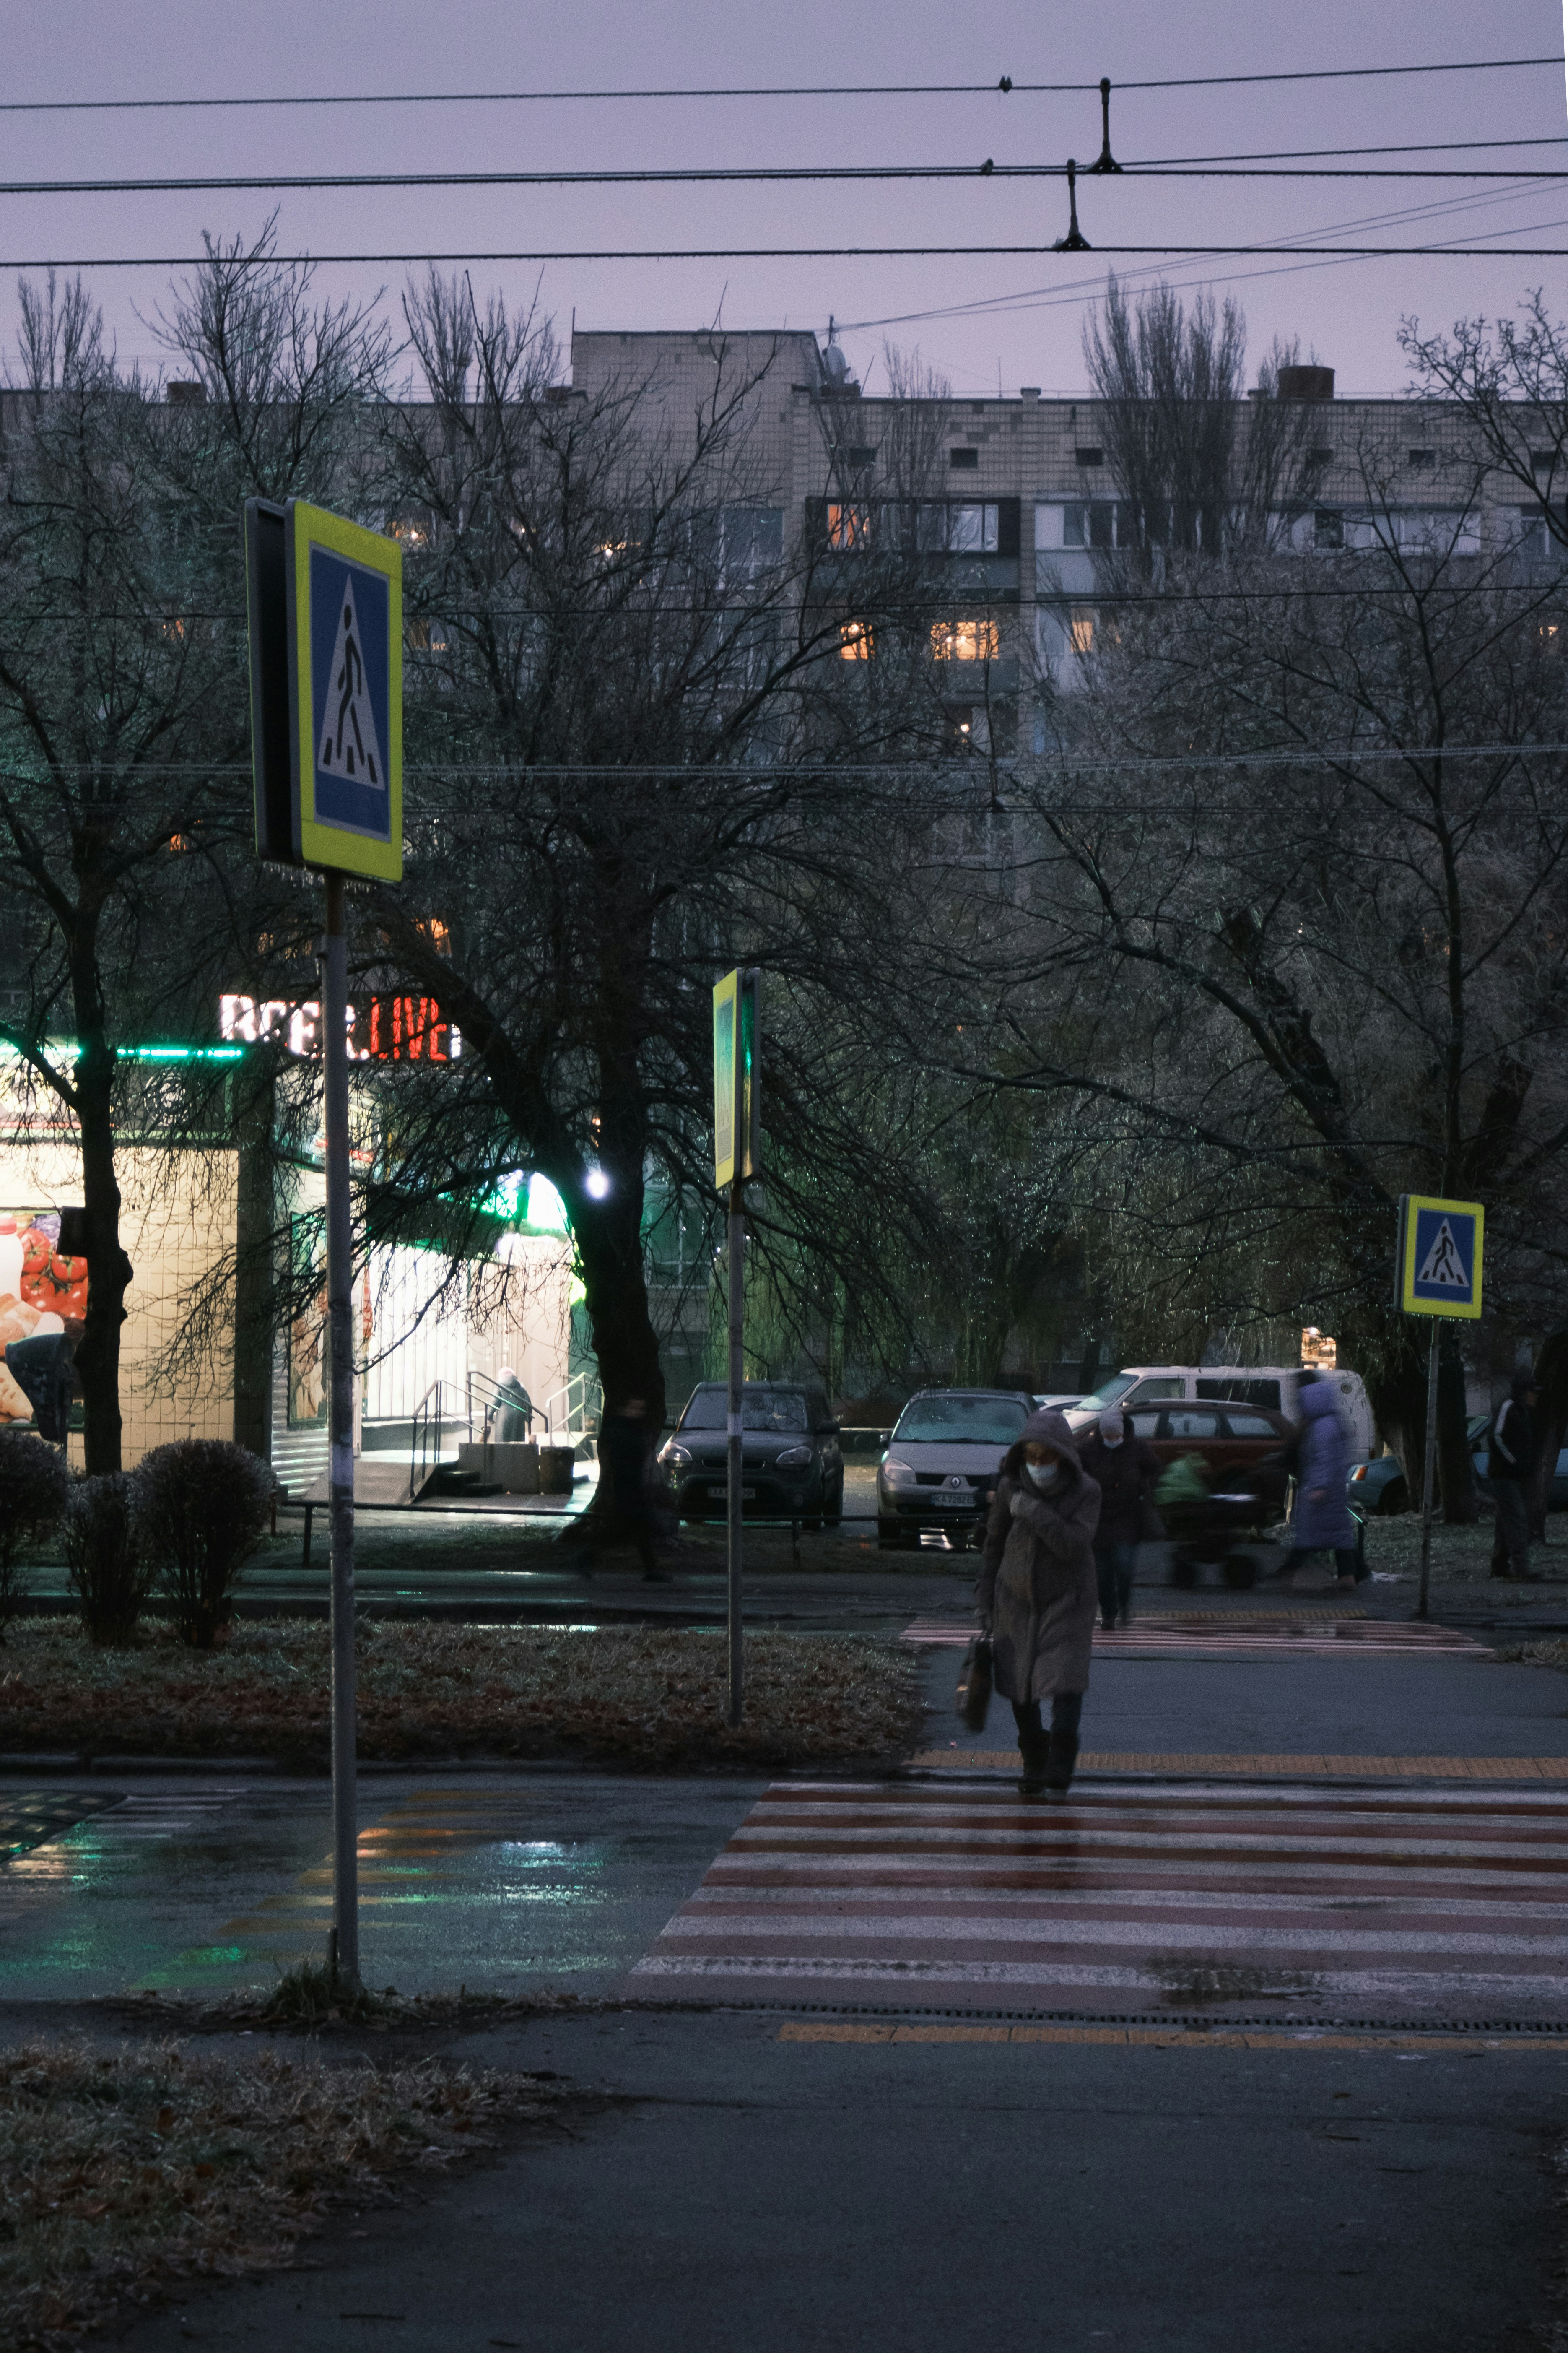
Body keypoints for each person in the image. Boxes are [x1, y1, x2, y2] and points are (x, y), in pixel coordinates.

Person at [976, 1406, 1101, 1797]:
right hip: (1014, 1602)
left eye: (1046, 1457)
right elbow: (993, 1546)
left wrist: (1032, 1511)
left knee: (1065, 1683)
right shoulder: (1011, 1488)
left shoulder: (1086, 1492)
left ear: (1063, 1455)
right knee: (1019, 1686)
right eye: (1030, 1456)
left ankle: (1060, 1763)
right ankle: (1034, 1759)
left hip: (1068, 1601)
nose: (1038, 1464)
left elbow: (1072, 1545)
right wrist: (985, 1600)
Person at [1076, 1404, 1160, 1630]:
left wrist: (1144, 1488)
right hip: (1098, 1520)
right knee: (1102, 1575)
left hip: (1127, 1518)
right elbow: (1076, 1475)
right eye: (1108, 1435)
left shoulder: (1138, 1448)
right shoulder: (1087, 1450)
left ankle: (1123, 1607)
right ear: (1101, 1433)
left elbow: (1154, 1470)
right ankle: (1109, 1614)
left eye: (1116, 1435)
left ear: (1123, 1432)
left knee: (1123, 1566)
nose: (1112, 1439)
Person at [1277, 1371, 1359, 1587]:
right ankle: (1347, 1577)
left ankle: (1289, 1572)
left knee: (1310, 1536)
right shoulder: (1330, 1423)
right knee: (1338, 1536)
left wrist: (1320, 1486)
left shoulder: (1322, 1428)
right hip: (1330, 1492)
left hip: (1322, 1492)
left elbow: (1326, 1459)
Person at [579, 1395, 670, 1583]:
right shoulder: (625, 1430)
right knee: (627, 1531)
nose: (640, 1410)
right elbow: (625, 1461)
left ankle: (586, 1557)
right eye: (636, 1405)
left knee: (631, 1531)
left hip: (630, 1488)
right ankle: (586, 1557)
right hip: (628, 1489)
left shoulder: (625, 1427)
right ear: (627, 1406)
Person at [1489, 1368, 1542, 1583]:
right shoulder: (1509, 1408)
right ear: (1522, 1393)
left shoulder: (1523, 1413)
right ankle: (1522, 1569)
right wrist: (1514, 1462)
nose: (1536, 1396)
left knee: (1505, 1521)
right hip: (1504, 1475)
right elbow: (1495, 1436)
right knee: (1518, 1519)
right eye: (1533, 1392)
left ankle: (1500, 1566)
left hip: (1513, 1476)